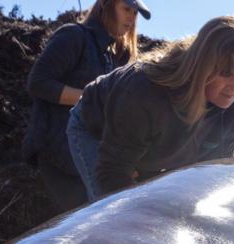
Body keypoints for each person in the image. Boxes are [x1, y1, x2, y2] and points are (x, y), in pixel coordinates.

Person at [67, 15, 234, 200]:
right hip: (96, 130)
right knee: (112, 214)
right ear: (203, 65)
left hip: (152, 145)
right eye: (226, 73)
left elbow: (209, 175)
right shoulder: (145, 91)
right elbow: (112, 173)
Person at [23, 0, 150, 211]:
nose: (131, 18)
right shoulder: (74, 36)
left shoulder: (113, 56)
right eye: (126, 9)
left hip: (88, 155)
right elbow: (38, 82)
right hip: (57, 153)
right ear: (105, 5)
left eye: (135, 13)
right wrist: (92, 98)